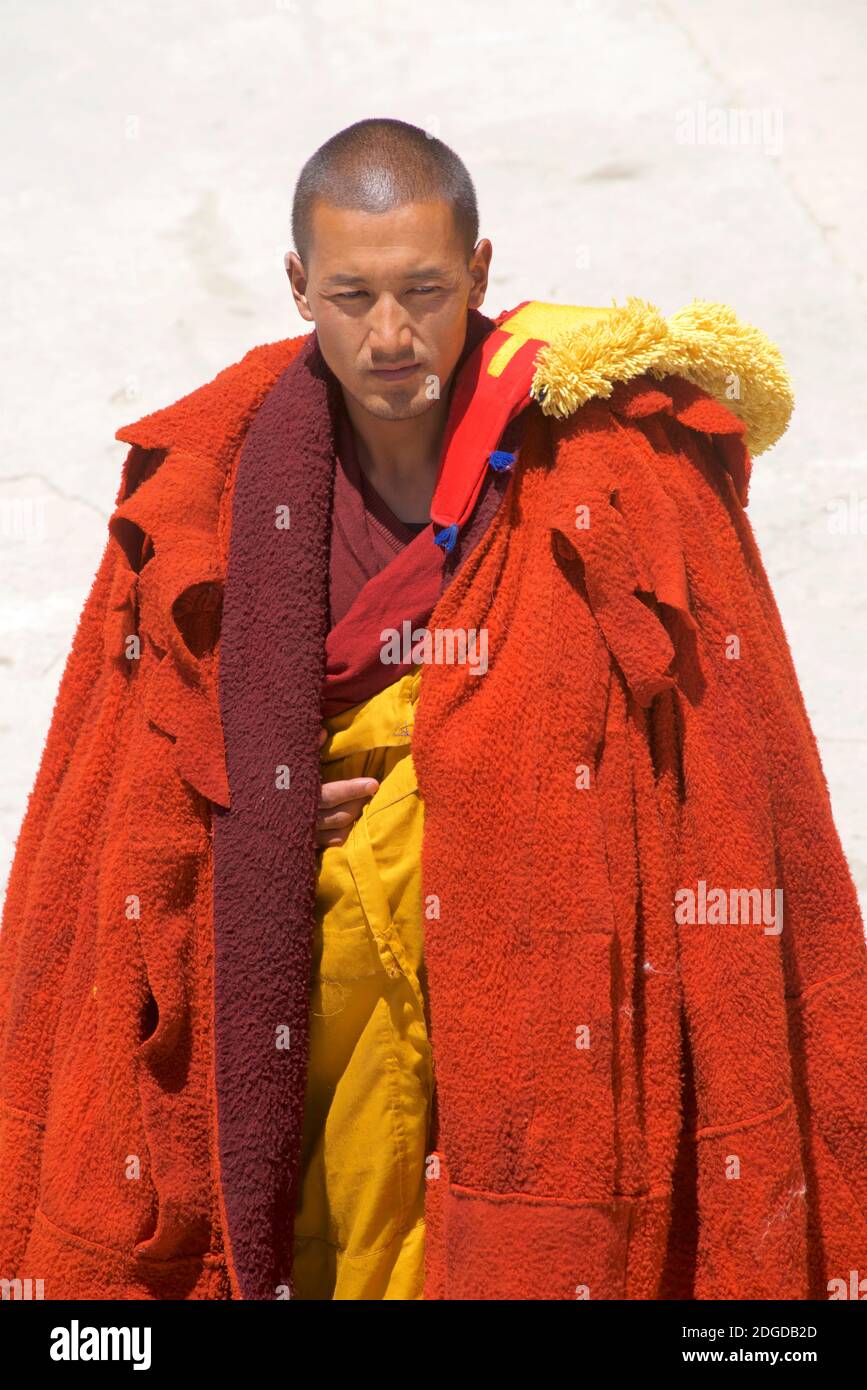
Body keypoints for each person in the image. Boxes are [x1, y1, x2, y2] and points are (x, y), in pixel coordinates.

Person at [1, 116, 865, 1303]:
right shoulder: (215, 475)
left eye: (426, 289)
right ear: (299, 286)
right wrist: (248, 831)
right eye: (353, 295)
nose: (394, 335)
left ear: (483, 273)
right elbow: (122, 787)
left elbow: (724, 769)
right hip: (312, 982)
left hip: (544, 987)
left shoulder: (614, 465)